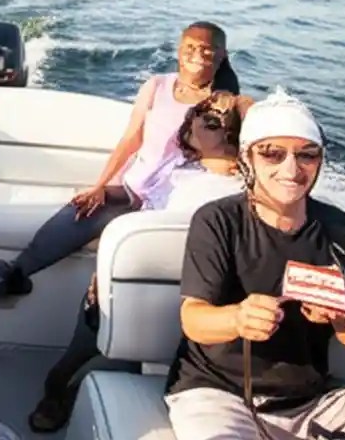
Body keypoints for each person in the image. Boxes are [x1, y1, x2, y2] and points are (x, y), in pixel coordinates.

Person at [164, 88, 345, 440]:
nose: (292, 169)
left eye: (307, 155)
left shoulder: (342, 231)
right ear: (247, 159)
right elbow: (193, 318)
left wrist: (340, 316)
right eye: (272, 153)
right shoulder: (218, 221)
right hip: (218, 393)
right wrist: (238, 318)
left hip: (314, 399)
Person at [26, 91, 247, 433]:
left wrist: (242, 111)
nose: (196, 117)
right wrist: (102, 192)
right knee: (74, 356)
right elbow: (143, 202)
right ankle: (59, 390)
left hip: (178, 295)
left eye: (212, 119)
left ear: (233, 139)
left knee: (135, 363)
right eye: (199, 111)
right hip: (121, 281)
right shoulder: (181, 164)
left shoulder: (230, 197)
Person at [0, 22, 243, 300]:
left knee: (116, 263)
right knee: (83, 208)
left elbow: (229, 155)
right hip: (135, 188)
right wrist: (100, 185)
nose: (197, 55)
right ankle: (17, 272)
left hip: (172, 201)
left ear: (222, 56)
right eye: (190, 47)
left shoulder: (223, 104)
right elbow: (131, 138)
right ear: (179, 50)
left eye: (207, 50)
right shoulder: (157, 86)